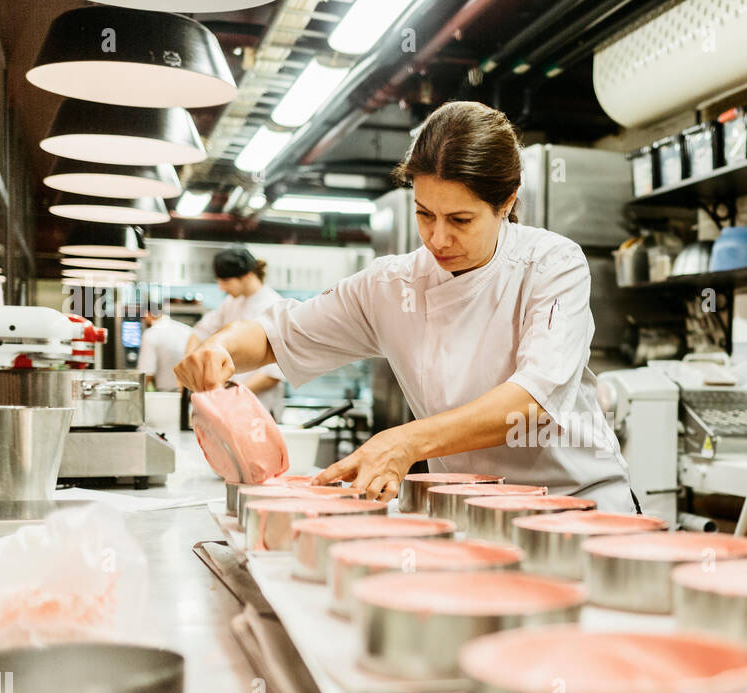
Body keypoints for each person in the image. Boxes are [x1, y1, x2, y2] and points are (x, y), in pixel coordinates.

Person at [175, 100, 634, 510]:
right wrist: (221, 349)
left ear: (507, 201)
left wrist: (407, 441)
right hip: (472, 512)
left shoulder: (552, 263)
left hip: (577, 508)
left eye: (460, 219)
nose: (437, 238)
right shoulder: (392, 284)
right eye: (424, 213)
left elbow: (534, 403)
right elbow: (278, 334)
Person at [186, 246, 287, 420]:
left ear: (247, 276)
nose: (221, 288)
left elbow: (272, 375)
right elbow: (200, 331)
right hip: (228, 407)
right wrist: (189, 365)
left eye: (225, 282)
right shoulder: (232, 303)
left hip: (258, 410)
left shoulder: (275, 307)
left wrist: (228, 396)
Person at [136, 306, 191, 391]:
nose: (143, 321)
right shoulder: (187, 329)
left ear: (147, 314)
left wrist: (139, 395)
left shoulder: (150, 334)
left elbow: (146, 372)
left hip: (166, 392)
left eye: (143, 317)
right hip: (190, 392)